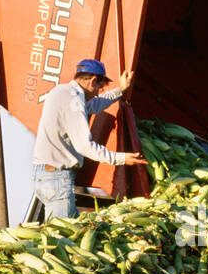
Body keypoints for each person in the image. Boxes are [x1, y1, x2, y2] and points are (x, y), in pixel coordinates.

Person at [31, 58, 144, 220]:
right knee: (60, 237)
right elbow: (85, 146)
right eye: (101, 86)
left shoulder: (62, 92)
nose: (99, 91)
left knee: (71, 231)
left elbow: (93, 105)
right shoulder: (74, 101)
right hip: (56, 177)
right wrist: (121, 158)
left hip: (45, 175)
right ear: (93, 81)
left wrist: (120, 90)